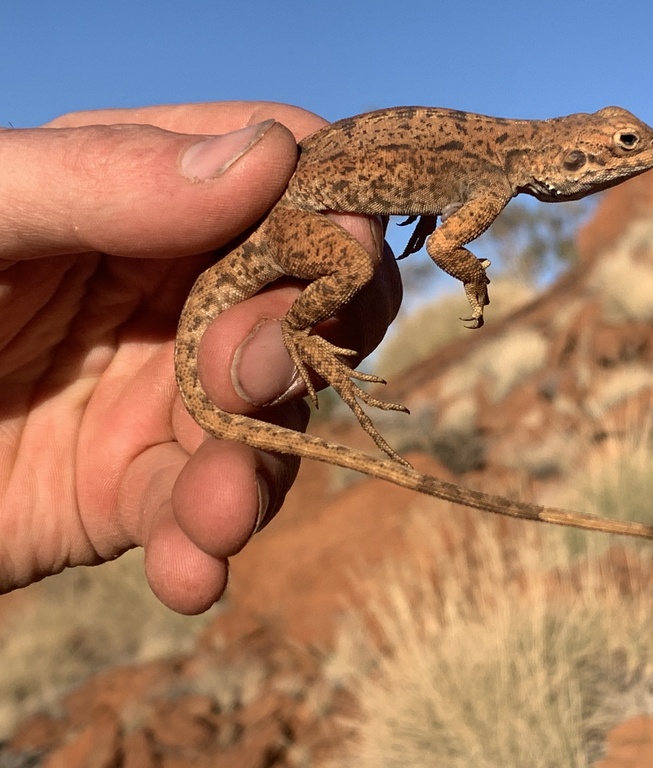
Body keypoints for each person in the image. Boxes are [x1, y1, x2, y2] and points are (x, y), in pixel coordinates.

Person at [0, 102, 402, 615]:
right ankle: (298, 327)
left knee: (225, 475)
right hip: (276, 217)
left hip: (280, 222)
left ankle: (297, 328)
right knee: (347, 268)